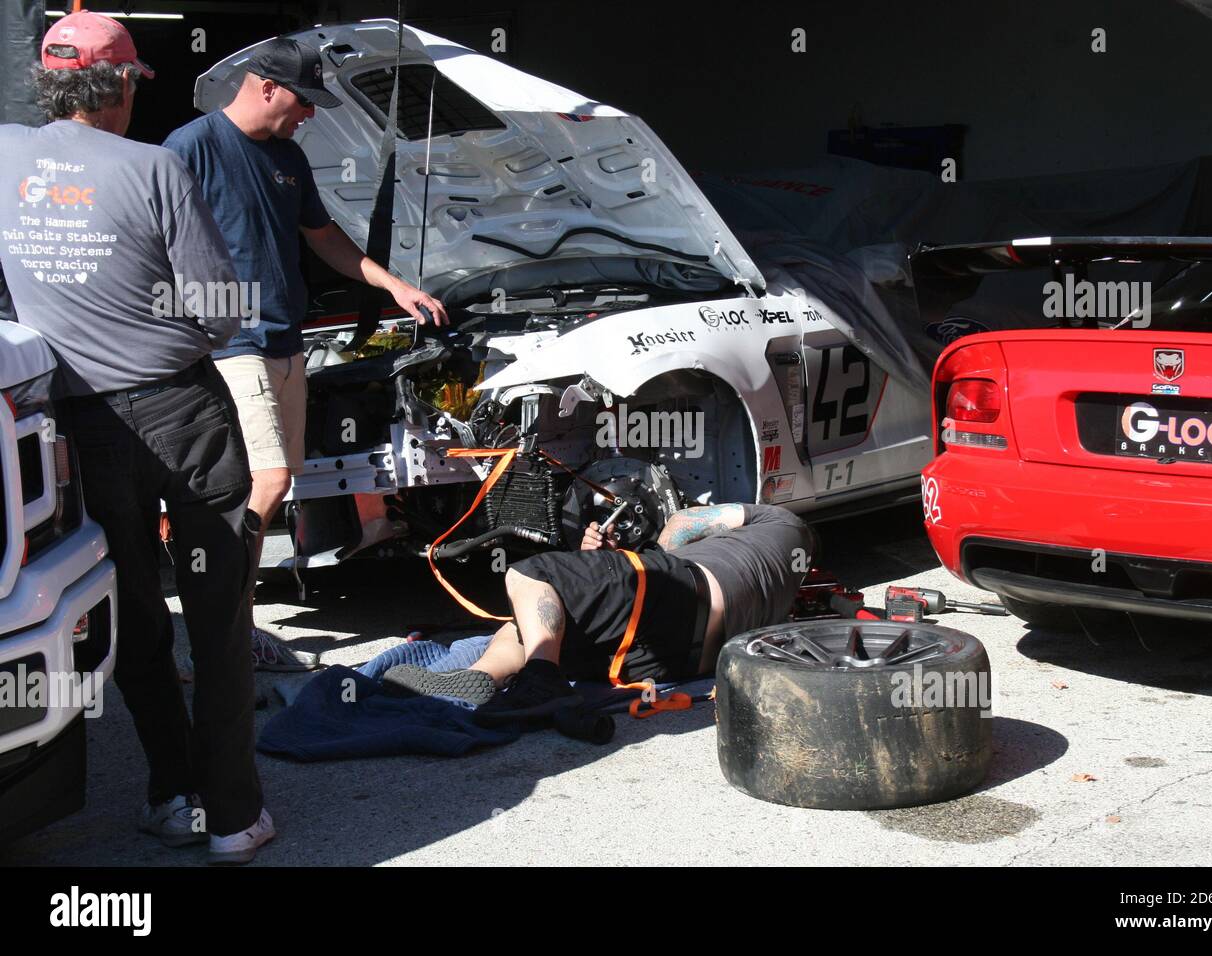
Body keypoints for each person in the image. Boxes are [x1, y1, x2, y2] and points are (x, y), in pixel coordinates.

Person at [0, 11, 272, 863]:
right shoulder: (153, 167)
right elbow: (223, 314)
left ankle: (172, 794)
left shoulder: (5, 155)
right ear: (120, 86)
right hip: (180, 412)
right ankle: (231, 817)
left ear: (50, 84)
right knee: (216, 609)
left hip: (76, 422)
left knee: (131, 614)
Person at [163, 37, 449, 671]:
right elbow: (155, 241)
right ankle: (223, 633)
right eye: (302, 101)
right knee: (265, 481)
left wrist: (395, 285)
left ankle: (229, 629)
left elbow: (325, 240)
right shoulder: (191, 148)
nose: (310, 115)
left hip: (289, 343)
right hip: (231, 345)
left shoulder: (287, 158)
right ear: (266, 86)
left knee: (279, 482)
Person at [383, 504, 816, 719]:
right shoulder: (777, 586)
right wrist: (620, 559)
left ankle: (543, 681)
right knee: (534, 626)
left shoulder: (777, 519)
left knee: (531, 575)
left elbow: (681, 525)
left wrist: (628, 557)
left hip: (684, 591)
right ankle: (480, 679)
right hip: (675, 659)